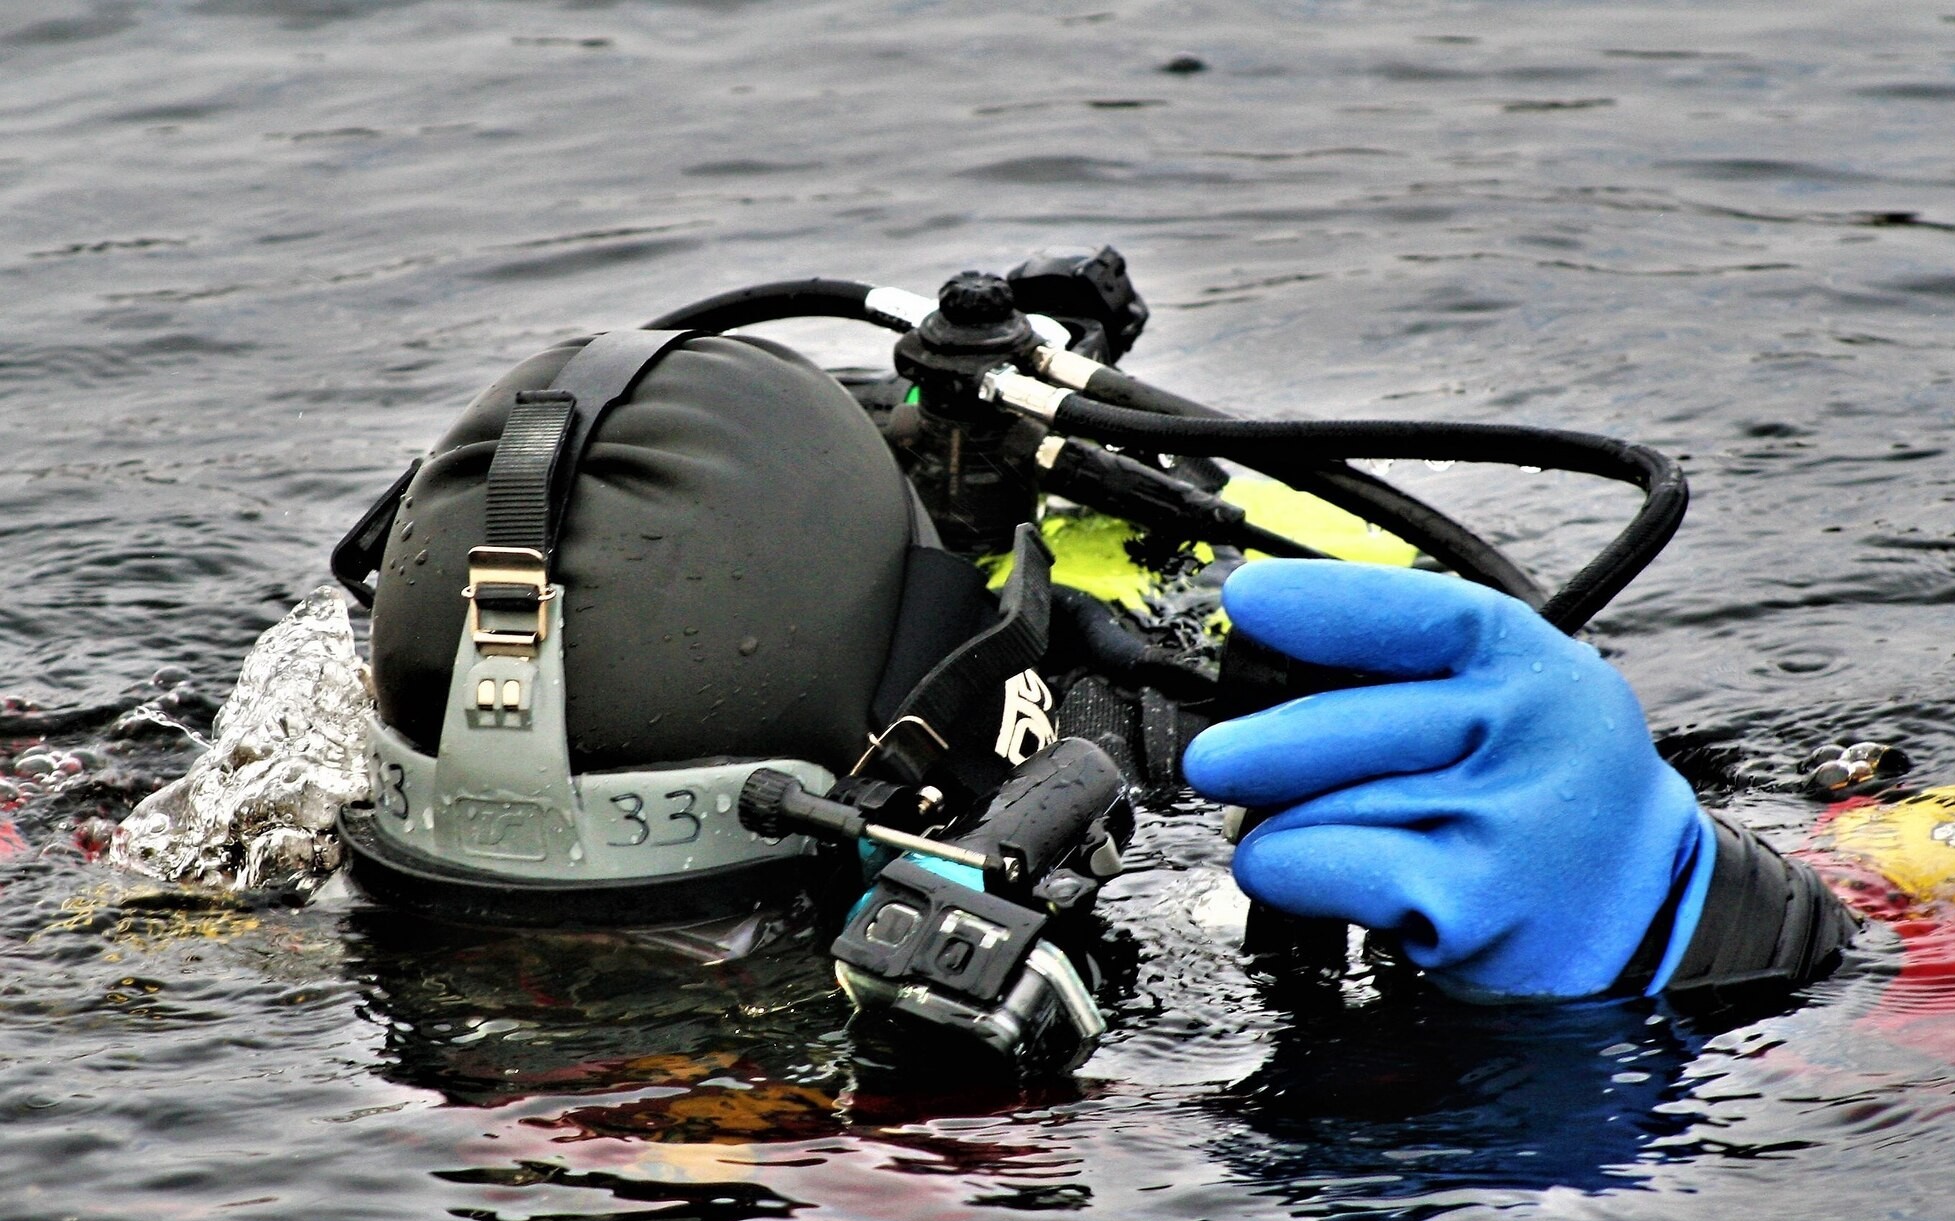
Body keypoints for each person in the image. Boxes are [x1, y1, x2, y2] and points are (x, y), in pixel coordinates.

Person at [330, 304, 1857, 1072]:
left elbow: (1953, 907)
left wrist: (1704, 923)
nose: (582, 1098)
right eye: (478, 973)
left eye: (716, 963)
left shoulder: (1214, 759)